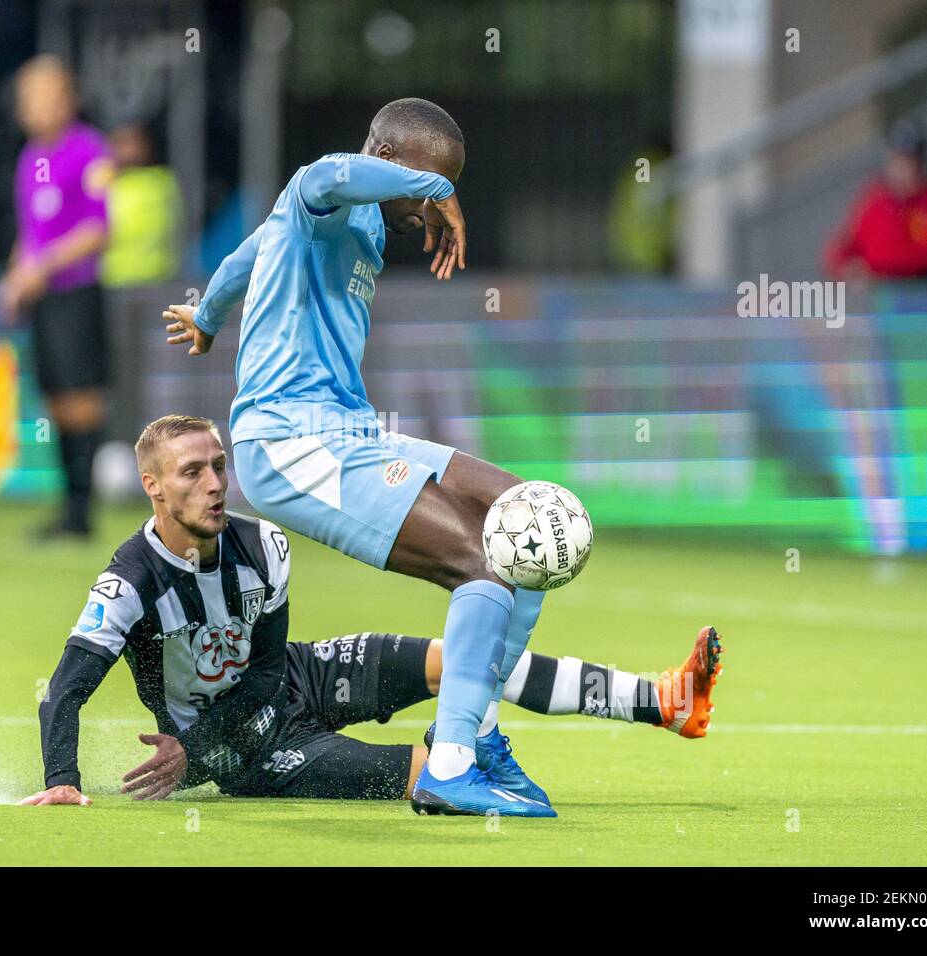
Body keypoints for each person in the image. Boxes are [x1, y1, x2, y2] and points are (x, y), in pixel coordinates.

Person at [161, 97, 717, 817]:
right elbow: (319, 176)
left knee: (525, 511)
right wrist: (436, 191)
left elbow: (249, 253)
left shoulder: (343, 221)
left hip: (348, 431)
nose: (428, 212)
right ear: (387, 163)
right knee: (483, 564)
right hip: (290, 443)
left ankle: (477, 740)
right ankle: (449, 765)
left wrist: (206, 318)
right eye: (424, 185)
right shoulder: (326, 197)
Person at [20, 415, 724, 807]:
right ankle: (456, 774)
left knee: (462, 663)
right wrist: (63, 782)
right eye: (191, 472)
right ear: (151, 487)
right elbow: (66, 691)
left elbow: (267, 674)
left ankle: (663, 701)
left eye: (219, 466)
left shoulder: (264, 545)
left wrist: (193, 749)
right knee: (434, 774)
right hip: (248, 751)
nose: (215, 484)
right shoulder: (130, 582)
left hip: (295, 681)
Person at [0, 55, 113, 539]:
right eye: (26, 99)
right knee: (54, 399)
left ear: (67, 98)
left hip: (77, 292)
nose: (32, 108)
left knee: (80, 399)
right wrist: (15, 275)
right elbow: (33, 232)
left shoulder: (89, 150)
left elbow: (98, 229)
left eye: (41, 96)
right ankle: (68, 509)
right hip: (43, 297)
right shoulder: (30, 158)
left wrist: (41, 267)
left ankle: (83, 514)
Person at [824, 119, 927, 280]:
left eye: (909, 163)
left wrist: (881, 267)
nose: (902, 170)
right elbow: (839, 251)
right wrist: (849, 268)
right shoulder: (873, 198)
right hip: (879, 294)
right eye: (897, 161)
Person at [100, 122, 182, 288]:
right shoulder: (105, 182)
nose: (125, 150)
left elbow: (112, 227)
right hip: (111, 281)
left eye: (130, 142)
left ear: (146, 145)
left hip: (156, 279)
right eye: (118, 143)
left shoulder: (161, 182)